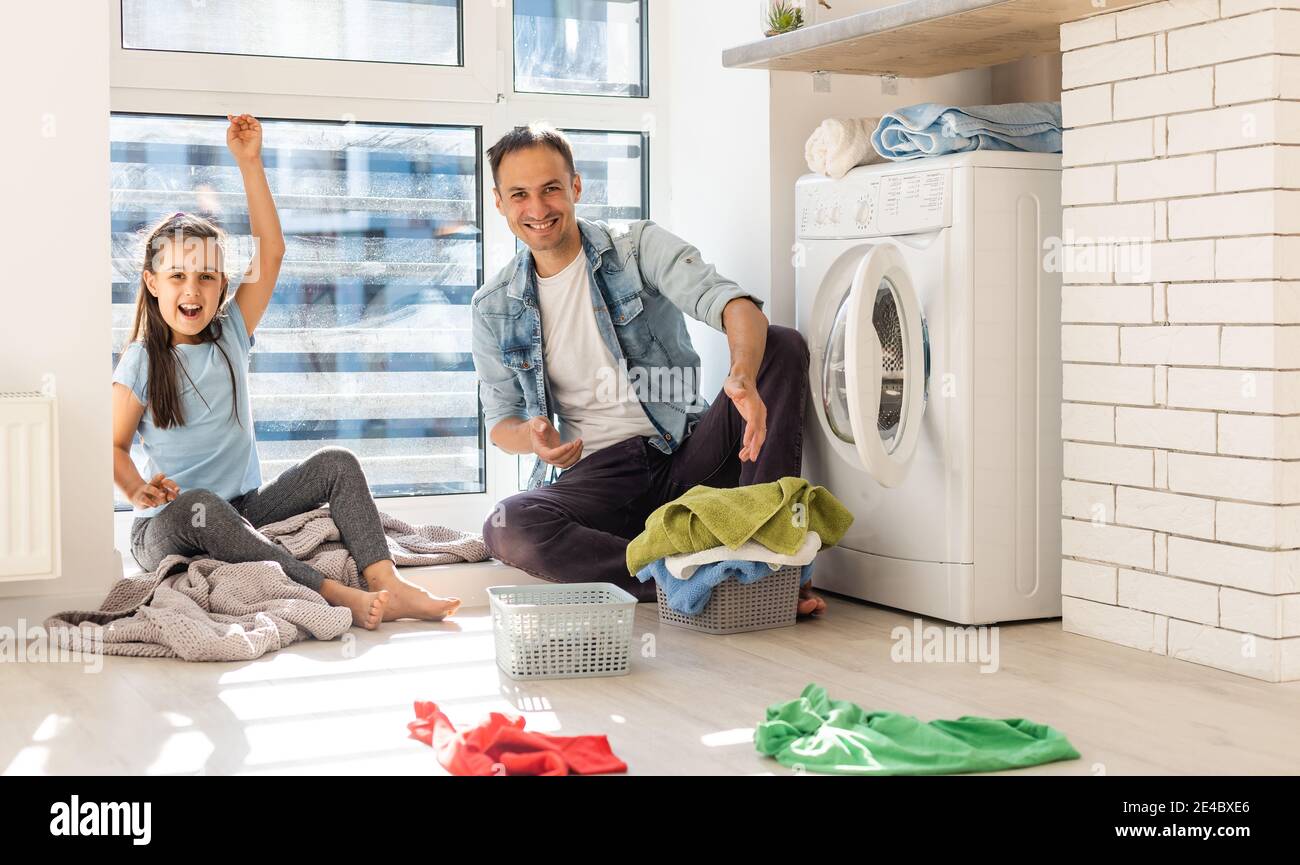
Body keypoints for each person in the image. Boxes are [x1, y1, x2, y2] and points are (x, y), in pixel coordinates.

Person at [111, 114, 460, 629]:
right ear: (152, 282)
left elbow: (271, 252)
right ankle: (332, 591)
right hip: (167, 526)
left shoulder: (230, 332)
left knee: (337, 462)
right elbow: (113, 447)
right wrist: (137, 489)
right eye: (178, 276)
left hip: (244, 508)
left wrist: (250, 163)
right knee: (200, 504)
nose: (192, 290)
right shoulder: (143, 358)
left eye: (207, 277)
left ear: (223, 284)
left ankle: (387, 582)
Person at [472, 124, 825, 615]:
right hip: (599, 476)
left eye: (551, 188)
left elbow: (735, 306)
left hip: (685, 454)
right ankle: (691, 578)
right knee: (508, 525)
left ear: (575, 186)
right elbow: (501, 421)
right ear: (500, 202)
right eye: (520, 195)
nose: (538, 208)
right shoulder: (494, 306)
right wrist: (532, 438)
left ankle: (764, 557)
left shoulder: (636, 247)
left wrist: (742, 374)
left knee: (780, 345)